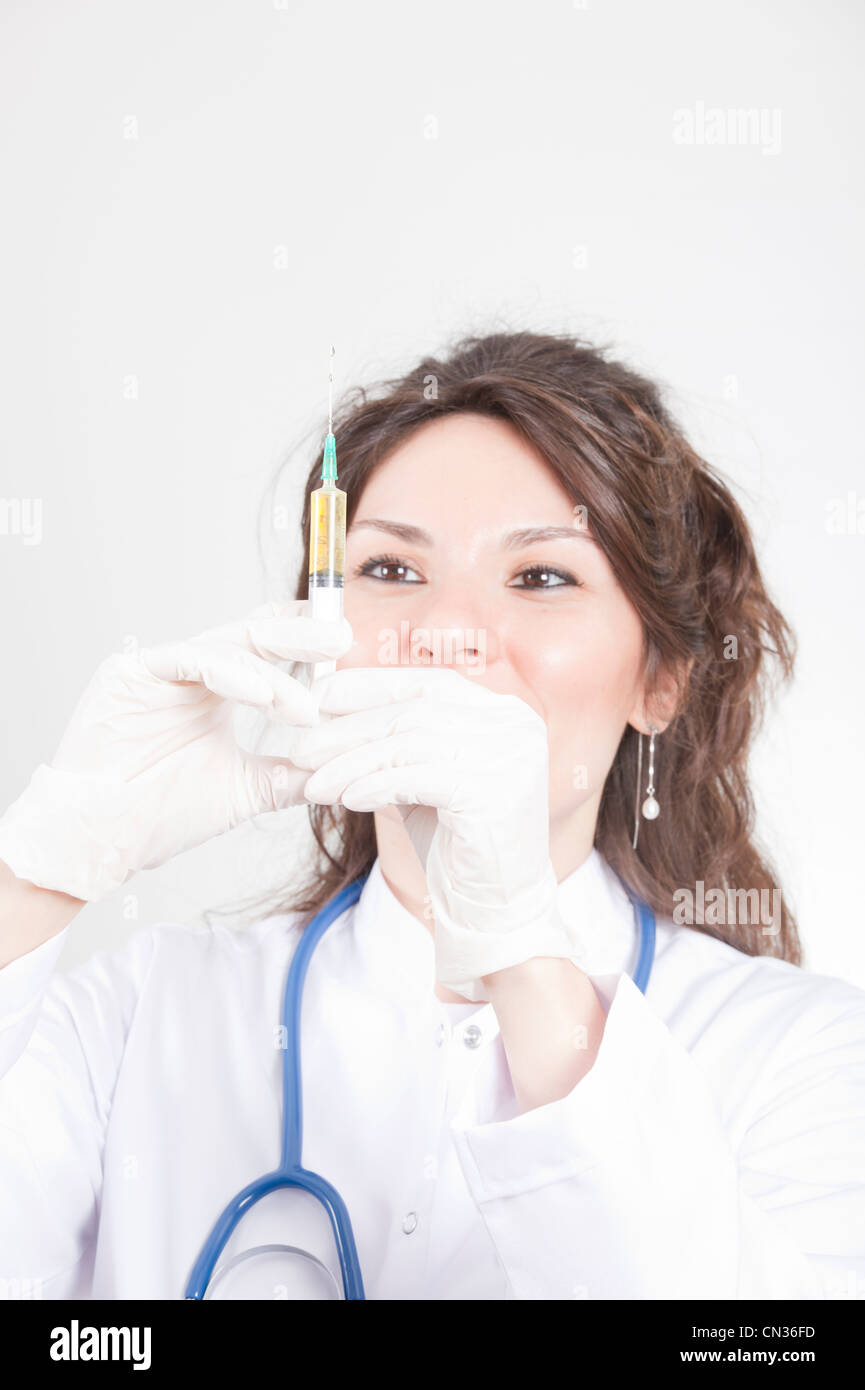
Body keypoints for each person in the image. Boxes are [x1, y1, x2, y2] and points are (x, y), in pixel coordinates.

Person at [0, 329, 863, 1301]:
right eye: (392, 571)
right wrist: (36, 875)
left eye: (541, 576)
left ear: (659, 680)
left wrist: (519, 951)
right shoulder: (136, 1019)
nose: (444, 630)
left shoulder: (801, 1057)